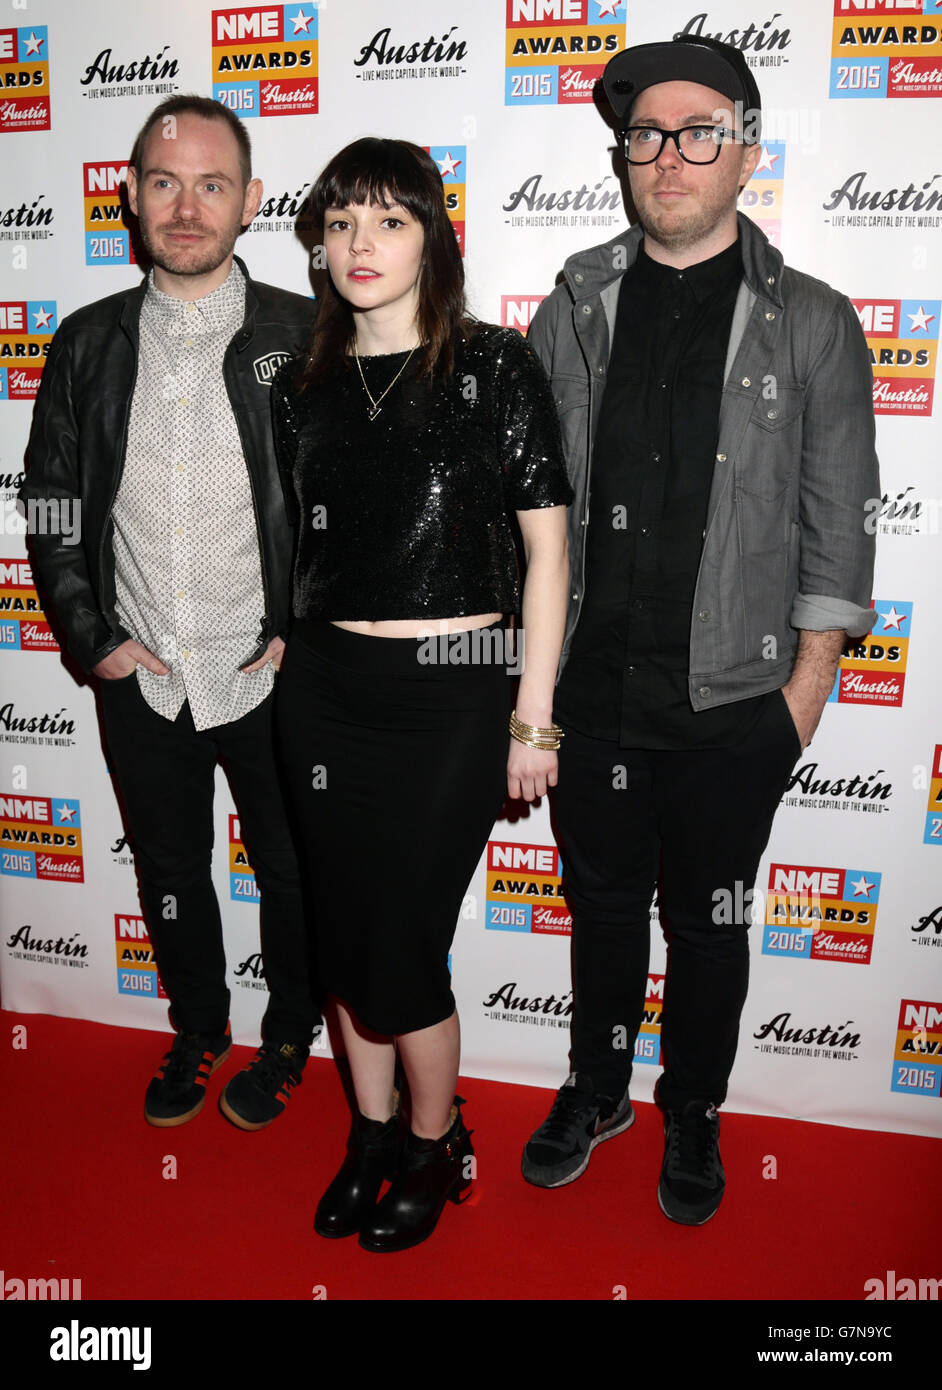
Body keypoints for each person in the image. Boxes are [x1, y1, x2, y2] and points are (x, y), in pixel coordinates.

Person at [521, 35, 879, 1224]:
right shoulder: (574, 303)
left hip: (736, 701)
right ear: (623, 156)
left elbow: (839, 521)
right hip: (592, 692)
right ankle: (598, 1083)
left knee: (711, 920)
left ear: (746, 151)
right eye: (645, 136)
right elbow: (532, 511)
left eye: (697, 133)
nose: (667, 157)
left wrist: (803, 696)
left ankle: (695, 1105)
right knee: (605, 910)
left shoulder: (814, 322)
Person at [271, 137, 572, 1253]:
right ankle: (370, 1131)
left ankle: (437, 1140)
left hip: (453, 691)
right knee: (346, 945)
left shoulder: (495, 366)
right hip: (326, 686)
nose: (362, 242)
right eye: (343, 219)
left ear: (434, 239)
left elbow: (548, 554)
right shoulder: (300, 387)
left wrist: (534, 714)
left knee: (399, 946)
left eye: (392, 220)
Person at [21, 95, 321, 1130]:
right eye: (163, 182)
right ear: (131, 195)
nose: (186, 206)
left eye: (212, 183)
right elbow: (53, 502)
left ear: (251, 202)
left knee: (292, 868)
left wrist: (307, 624)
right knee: (170, 868)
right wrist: (91, 640)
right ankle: (199, 1026)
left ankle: (289, 1035)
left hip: (270, 674)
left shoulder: (308, 333)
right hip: (143, 674)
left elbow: (350, 503)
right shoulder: (86, 344)